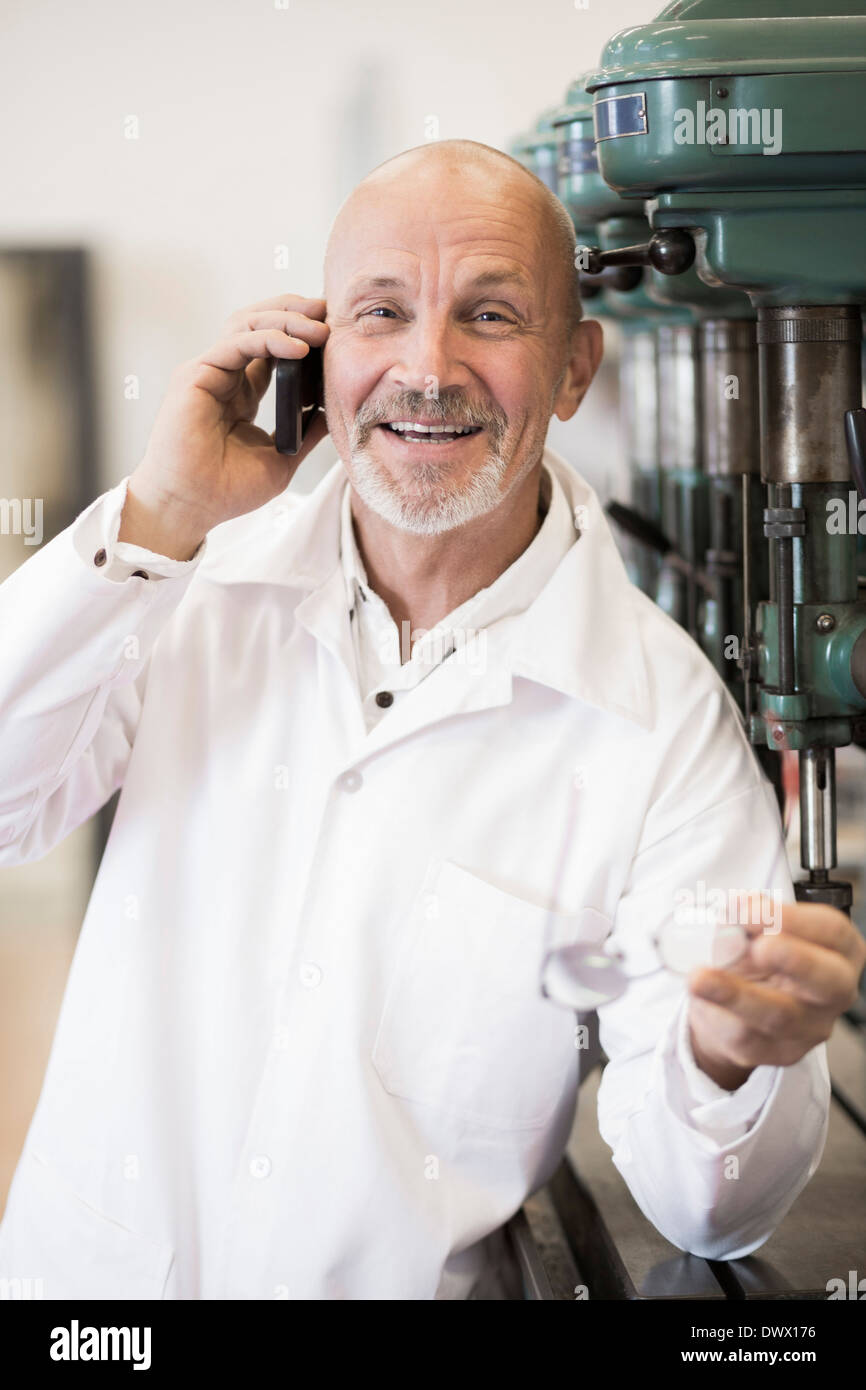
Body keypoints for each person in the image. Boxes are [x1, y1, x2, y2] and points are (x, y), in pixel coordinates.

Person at [0, 140, 862, 1301]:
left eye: (490, 315)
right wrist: (158, 512)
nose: (426, 365)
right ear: (315, 352)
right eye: (380, 311)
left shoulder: (659, 725)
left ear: (572, 369)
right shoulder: (188, 580)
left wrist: (722, 1052)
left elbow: (705, 1209)